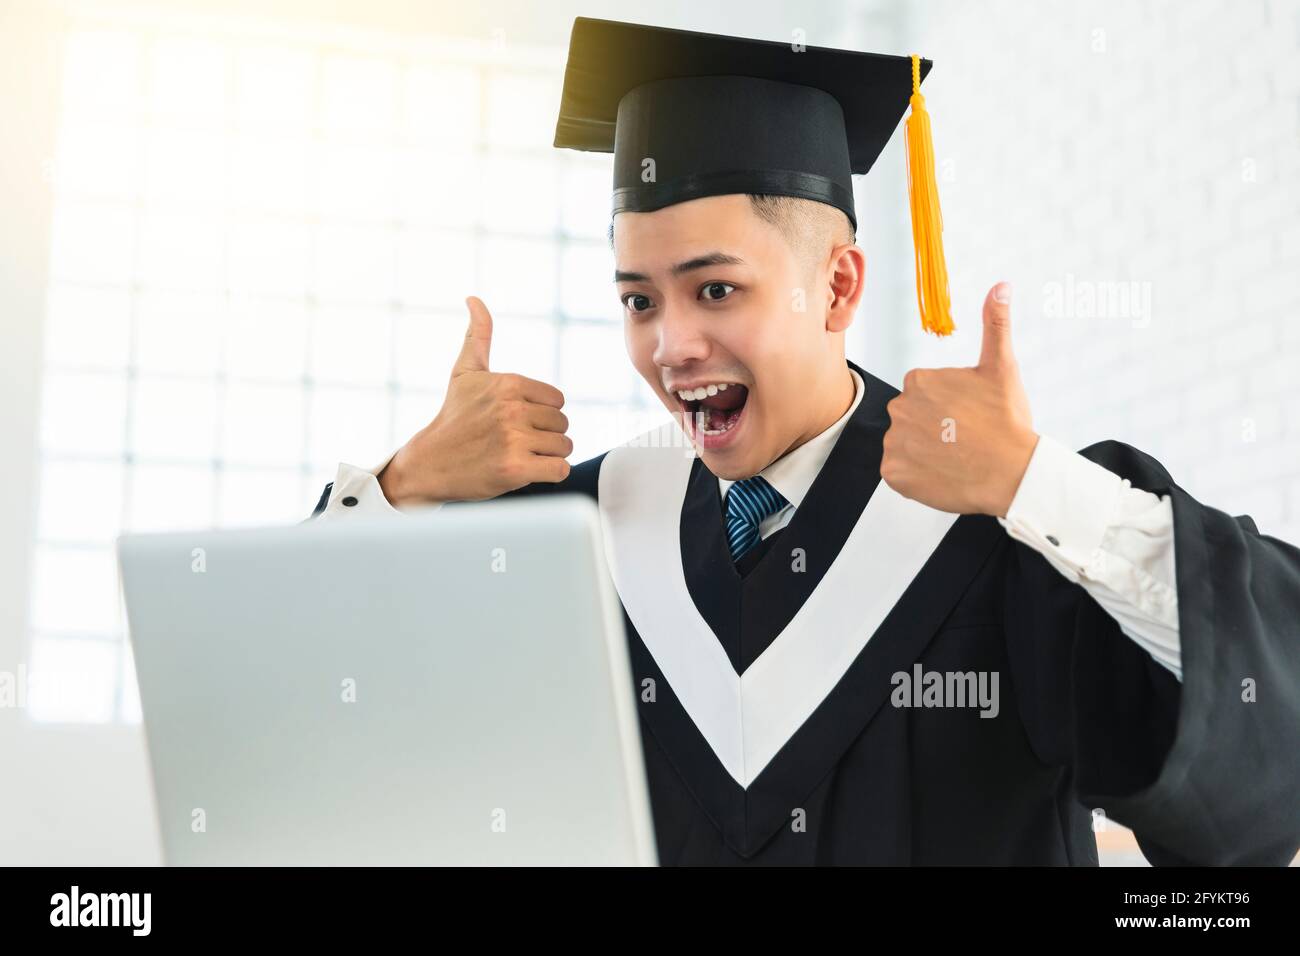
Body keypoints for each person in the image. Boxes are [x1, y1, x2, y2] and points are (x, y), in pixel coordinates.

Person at [310, 18, 1300, 865]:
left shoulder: (994, 519)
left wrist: (1040, 484)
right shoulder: (586, 528)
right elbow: (318, 716)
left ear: (836, 286)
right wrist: (406, 487)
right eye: (636, 299)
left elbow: (1259, 763)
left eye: (715, 289)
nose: (669, 344)